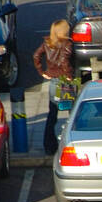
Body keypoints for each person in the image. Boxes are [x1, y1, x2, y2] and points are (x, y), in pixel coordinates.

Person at [32, 20, 75, 156]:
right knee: (72, 113)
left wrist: (42, 72)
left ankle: (49, 146)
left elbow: (36, 56)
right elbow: (64, 60)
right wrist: (69, 75)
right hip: (65, 81)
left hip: (53, 81)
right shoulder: (67, 44)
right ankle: (70, 143)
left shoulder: (47, 43)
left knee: (52, 114)